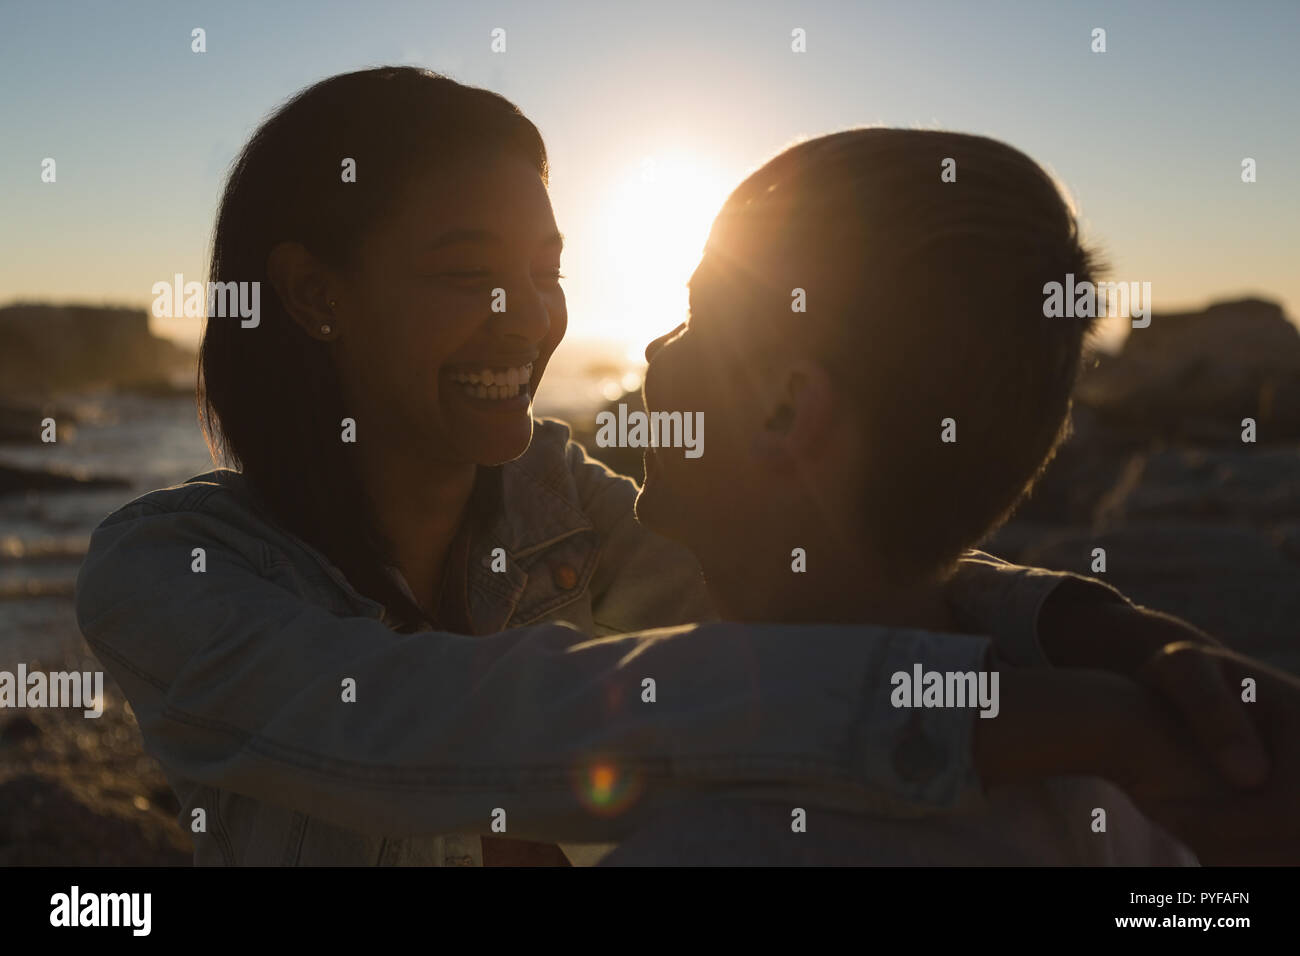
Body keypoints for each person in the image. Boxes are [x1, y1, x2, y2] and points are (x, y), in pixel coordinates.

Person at [74, 68, 1272, 867]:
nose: (528, 317)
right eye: (467, 273)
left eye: (546, 271)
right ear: (313, 295)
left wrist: (1098, 630)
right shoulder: (167, 571)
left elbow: (835, 565)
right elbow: (417, 722)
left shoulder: (566, 501)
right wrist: (1007, 705)